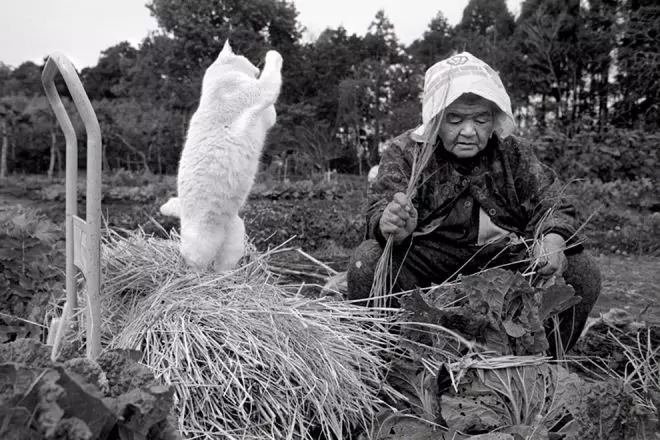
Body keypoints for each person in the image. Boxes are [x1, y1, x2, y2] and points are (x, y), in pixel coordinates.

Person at [346, 52, 601, 356]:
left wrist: (553, 237)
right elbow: (379, 207)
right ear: (436, 118)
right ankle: (387, 361)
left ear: (494, 118)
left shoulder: (514, 153)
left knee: (582, 270)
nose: (469, 131)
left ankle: (542, 362)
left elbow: (554, 202)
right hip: (427, 260)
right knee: (367, 262)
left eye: (481, 119)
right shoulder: (405, 152)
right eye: (454, 119)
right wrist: (391, 224)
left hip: (502, 259)